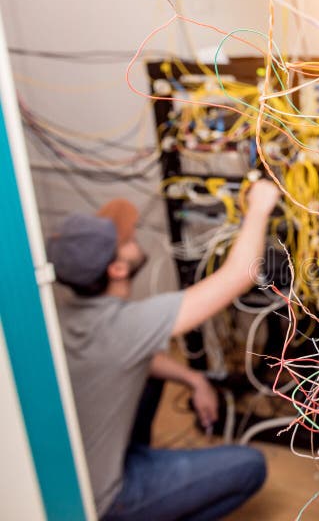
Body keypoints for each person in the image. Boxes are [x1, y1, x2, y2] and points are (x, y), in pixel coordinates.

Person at [46, 180, 282, 520]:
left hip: (76, 476)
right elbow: (237, 277)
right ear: (117, 268)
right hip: (106, 501)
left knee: (150, 374)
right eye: (125, 240)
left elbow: (130, 356)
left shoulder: (64, 315)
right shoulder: (127, 326)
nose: (134, 236)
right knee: (250, 466)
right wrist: (259, 207)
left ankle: (136, 460)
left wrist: (194, 379)